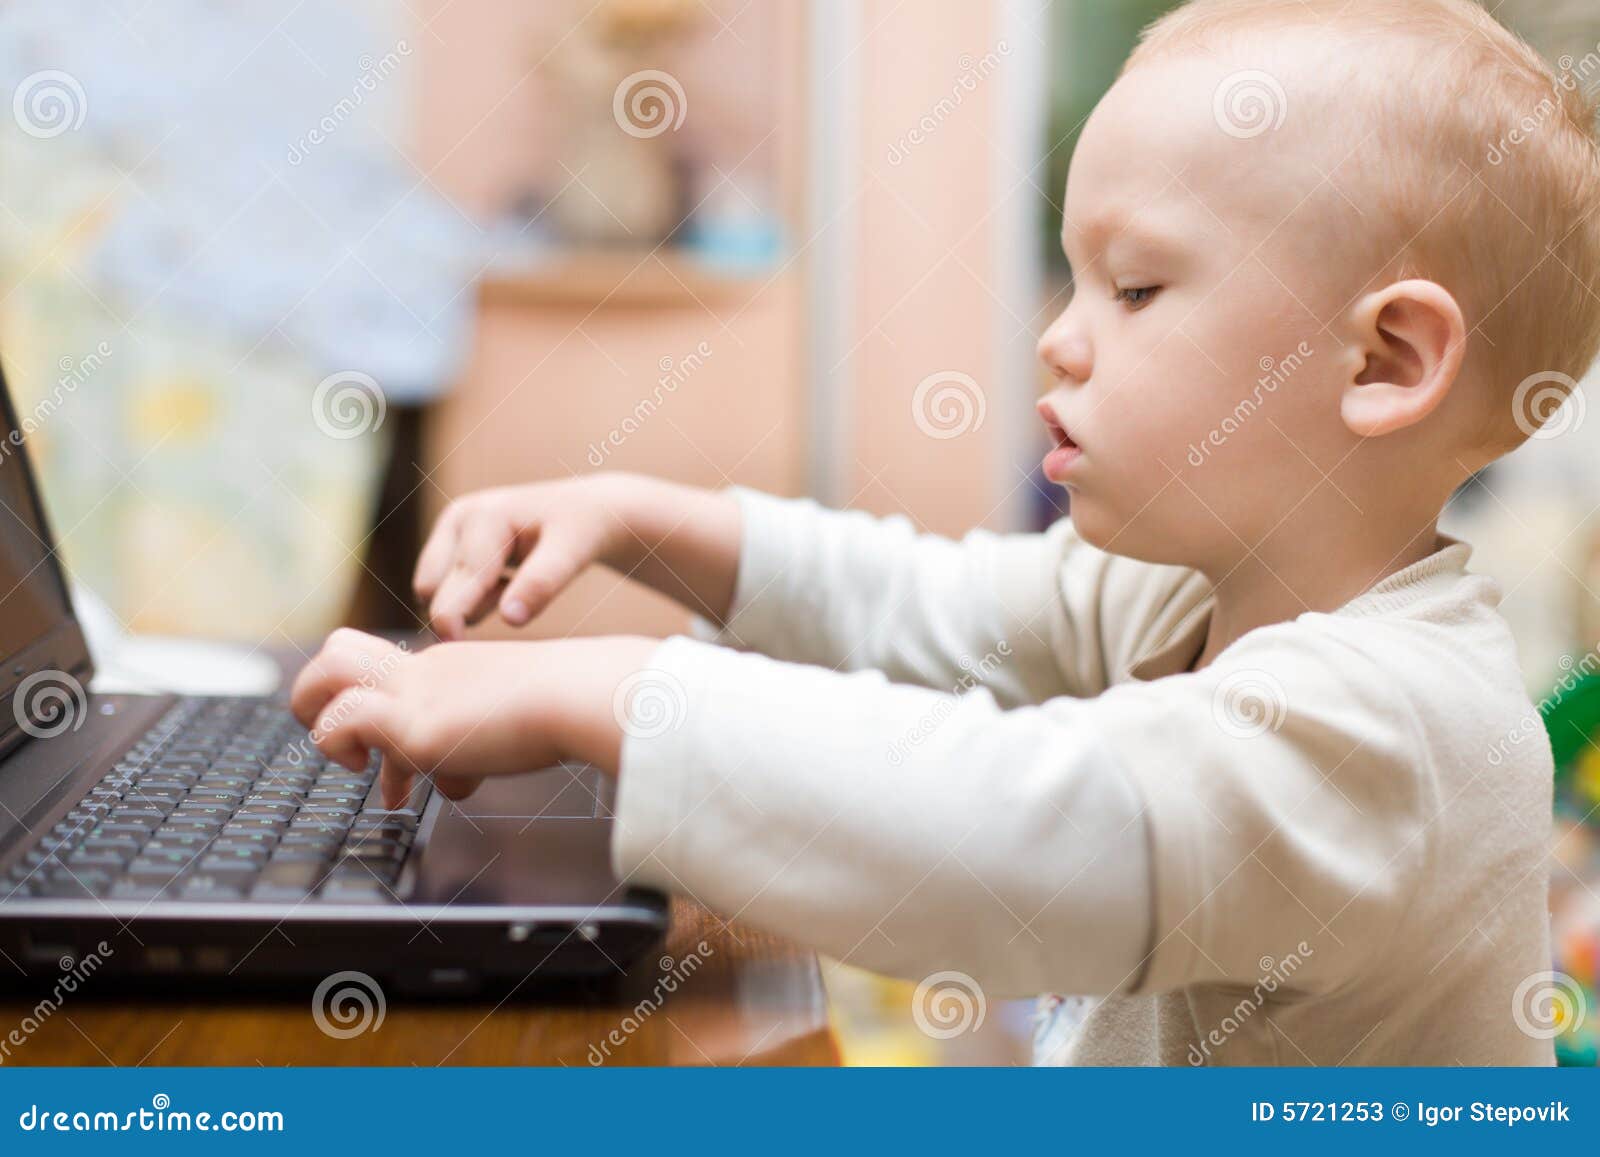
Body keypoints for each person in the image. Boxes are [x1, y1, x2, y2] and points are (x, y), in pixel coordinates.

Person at [291, 0, 1600, 1064]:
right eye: (1077, 274)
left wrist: (601, 692)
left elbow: (1033, 840)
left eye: (1136, 286)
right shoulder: (1181, 594)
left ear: (1382, 358)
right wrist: (641, 521)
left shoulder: (1400, 729)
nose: (1060, 335)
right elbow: (933, 604)